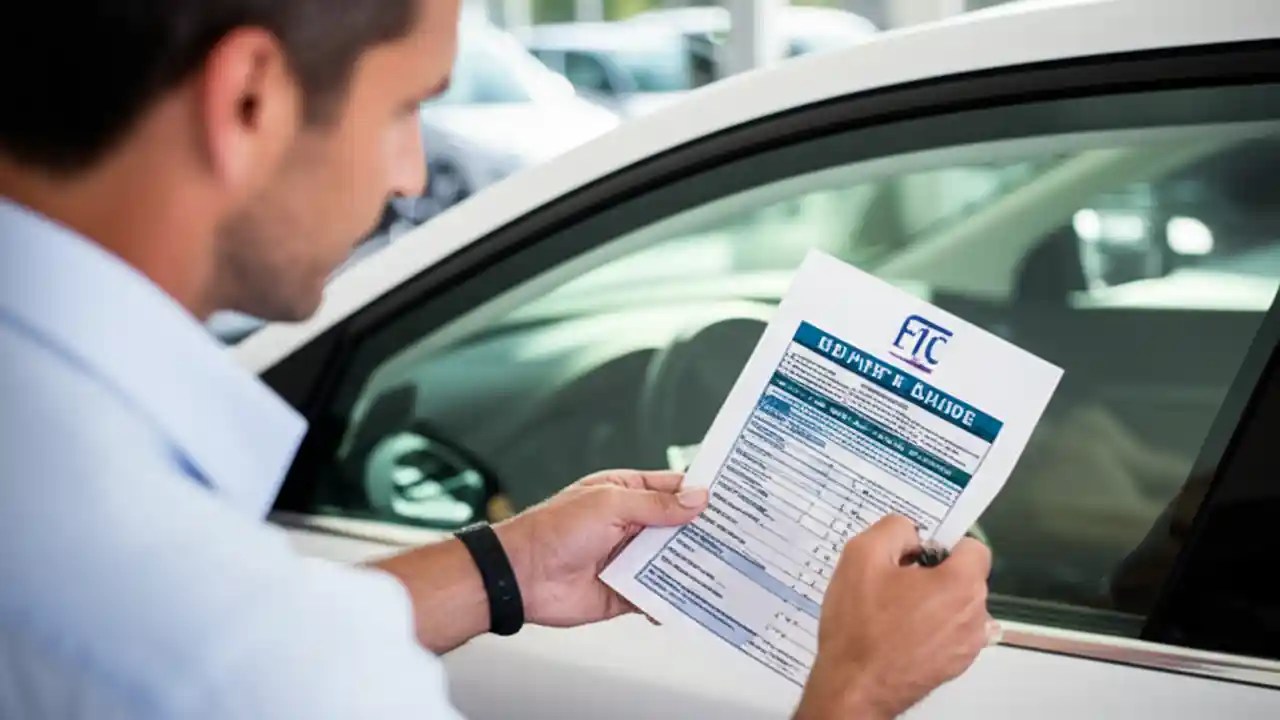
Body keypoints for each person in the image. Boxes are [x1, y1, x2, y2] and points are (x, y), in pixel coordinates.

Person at [0, 1, 996, 717]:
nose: (411, 174)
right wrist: (855, 694)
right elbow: (241, 646)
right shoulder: (237, 655)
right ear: (251, 98)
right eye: (404, 108)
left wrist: (501, 568)